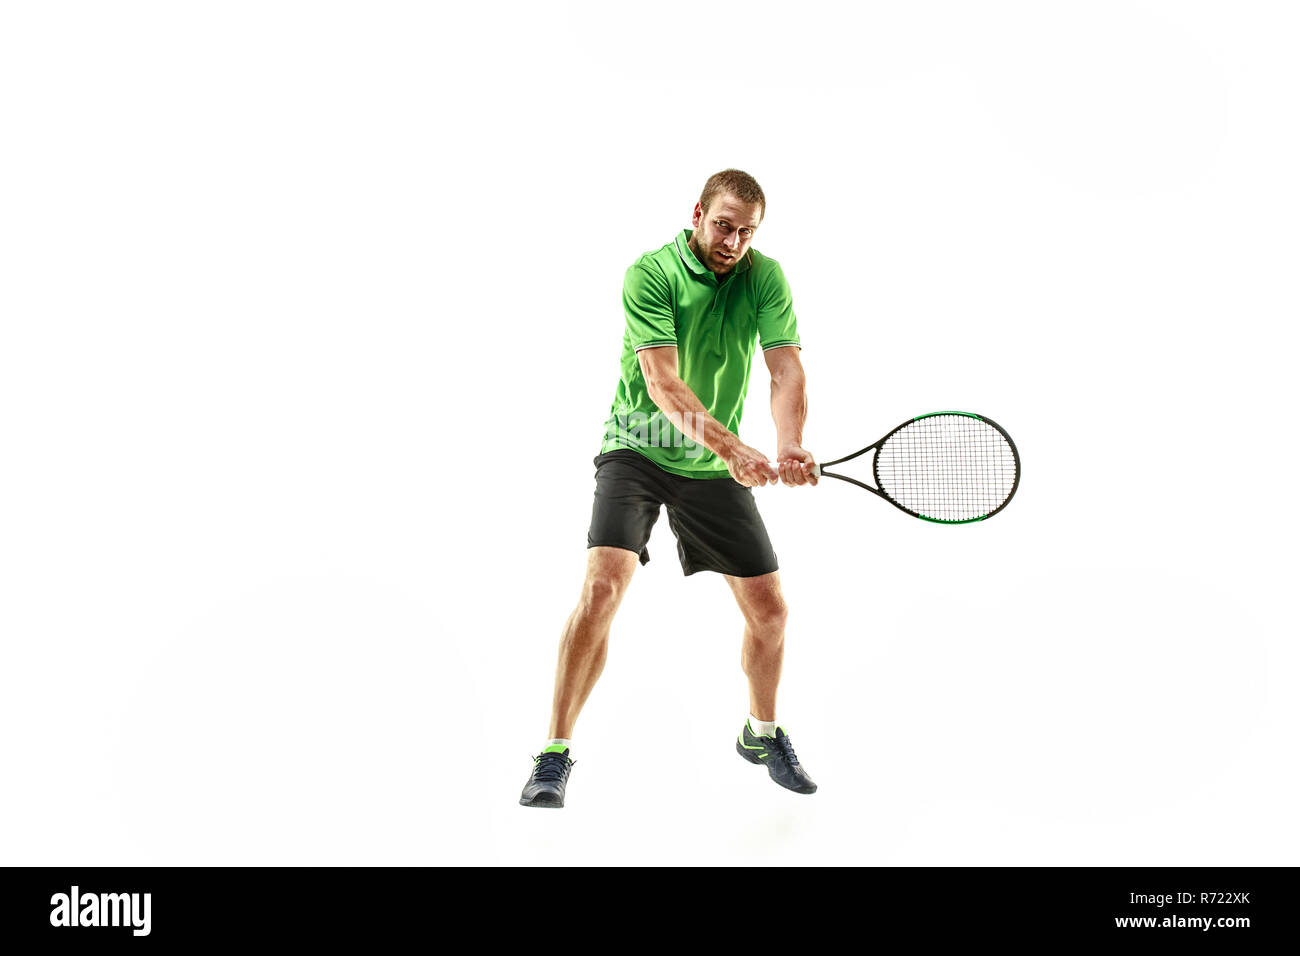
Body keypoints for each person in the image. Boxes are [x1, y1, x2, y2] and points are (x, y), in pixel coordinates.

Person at [519, 169, 819, 808]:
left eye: (745, 231)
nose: (733, 241)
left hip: (710, 467)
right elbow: (662, 383)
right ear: (697, 214)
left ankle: (760, 733)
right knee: (602, 588)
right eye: (722, 225)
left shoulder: (764, 276)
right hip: (638, 450)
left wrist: (789, 440)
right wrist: (735, 447)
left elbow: (785, 366)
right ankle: (552, 754)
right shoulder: (649, 273)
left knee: (770, 610)